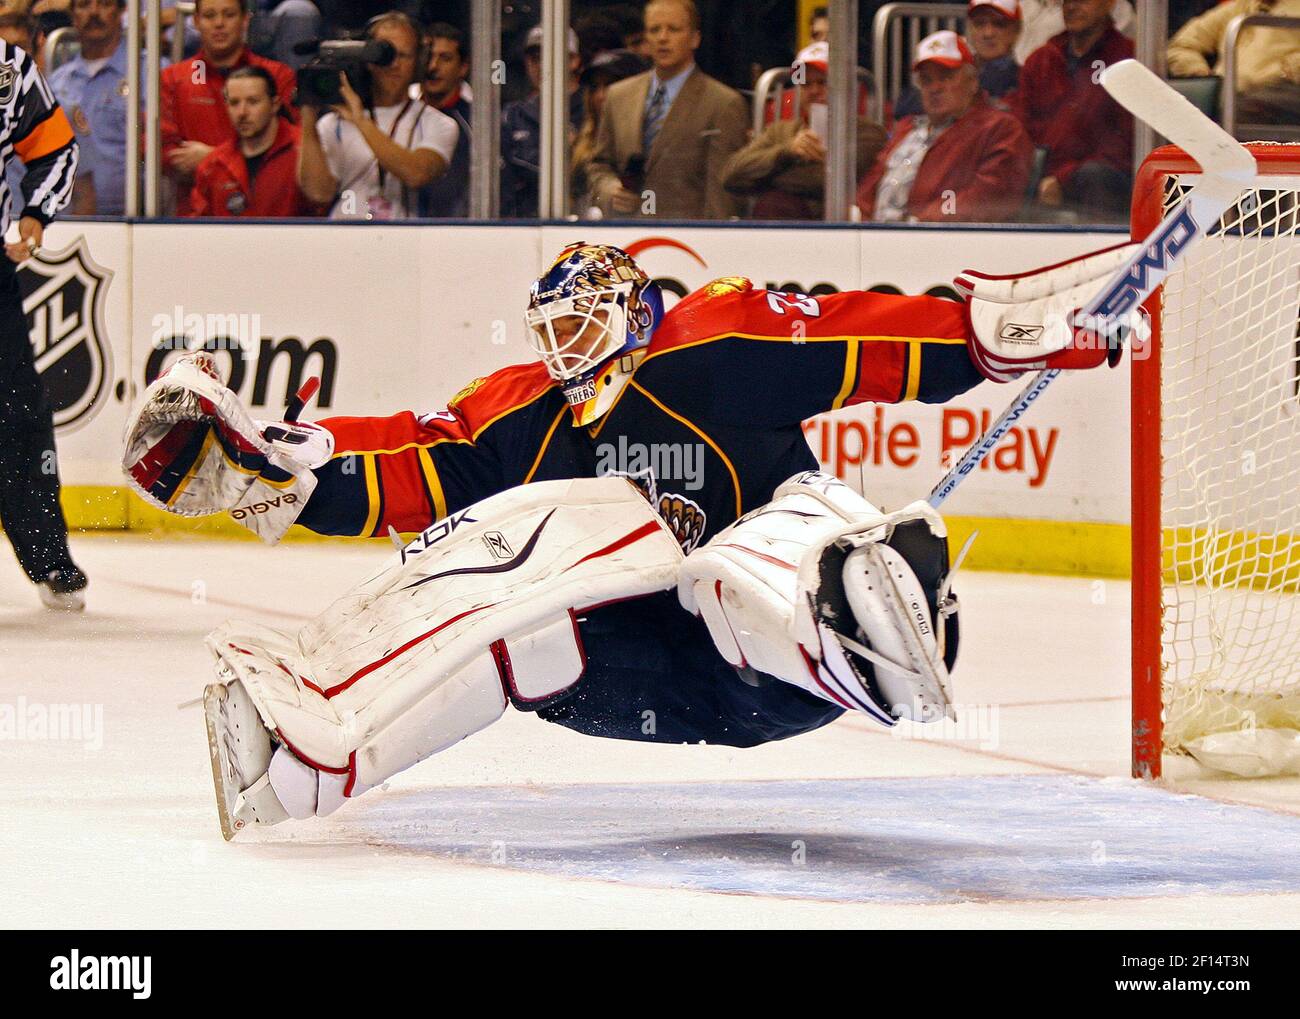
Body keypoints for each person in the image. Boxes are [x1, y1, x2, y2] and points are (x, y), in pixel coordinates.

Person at [125, 236, 1127, 835]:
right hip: (639, 676)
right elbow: (410, 467)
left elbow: (864, 340)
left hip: (772, 646)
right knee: (500, 568)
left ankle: (869, 607)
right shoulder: (522, 416)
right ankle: (305, 755)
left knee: (769, 536)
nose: (566, 354)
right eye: (550, 334)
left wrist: (989, 333)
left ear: (633, 312)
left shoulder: (716, 344)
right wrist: (278, 470)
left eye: (582, 327)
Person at [0, 37, 83, 609]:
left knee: (18, 411)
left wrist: (35, 214)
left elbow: (55, 148)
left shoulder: (7, 67)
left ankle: (49, 558)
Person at [585, 0, 747, 220]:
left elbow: (722, 194)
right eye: (654, 30)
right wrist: (610, 189)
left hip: (688, 240)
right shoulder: (618, 96)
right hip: (625, 237)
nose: (662, 38)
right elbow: (599, 165)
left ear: (694, 38)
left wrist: (713, 245)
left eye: (673, 29)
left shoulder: (723, 103)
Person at [857, 31, 1032, 223]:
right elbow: (871, 185)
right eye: (926, 80)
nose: (935, 87)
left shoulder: (999, 128)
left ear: (972, 82)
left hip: (939, 241)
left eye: (946, 77)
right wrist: (857, 215)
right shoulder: (907, 127)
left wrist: (922, 223)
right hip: (876, 236)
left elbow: (990, 196)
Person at [297, 10, 457, 220]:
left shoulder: (439, 124)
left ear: (420, 61)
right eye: (383, 54)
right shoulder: (334, 123)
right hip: (343, 237)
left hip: (407, 241)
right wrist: (308, 118)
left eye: (403, 55)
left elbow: (416, 173)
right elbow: (318, 193)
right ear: (368, 59)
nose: (394, 64)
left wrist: (361, 121)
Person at [161, 0, 298, 216]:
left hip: (272, 215)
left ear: (245, 20)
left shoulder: (278, 76)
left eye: (229, 14)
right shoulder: (173, 79)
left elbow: (293, 152)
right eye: (209, 16)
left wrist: (212, 158)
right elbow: (162, 152)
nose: (219, 24)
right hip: (196, 220)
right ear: (196, 21)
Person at [722, 41, 885, 220]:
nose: (814, 90)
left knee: (776, 202)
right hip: (779, 233)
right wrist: (787, 151)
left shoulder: (867, 134)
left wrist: (764, 179)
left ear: (844, 87)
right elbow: (732, 174)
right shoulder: (781, 131)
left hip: (836, 234)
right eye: (806, 84)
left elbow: (832, 181)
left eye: (823, 83)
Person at [1015, 0, 1134, 222]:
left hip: (1098, 181)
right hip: (1040, 176)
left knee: (1095, 176)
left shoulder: (1128, 59)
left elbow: (1124, 145)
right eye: (1066, 0)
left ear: (1109, 4)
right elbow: (1021, 130)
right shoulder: (1039, 60)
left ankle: (1106, 254)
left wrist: (1063, 178)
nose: (1071, 6)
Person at [48, 0, 151, 214]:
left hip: (136, 218)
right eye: (84, 5)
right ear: (73, 15)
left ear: (122, 11)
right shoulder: (56, 84)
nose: (94, 12)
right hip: (68, 219)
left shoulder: (150, 72)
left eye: (104, 4)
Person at [189, 64, 314, 216]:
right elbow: (197, 230)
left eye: (253, 102)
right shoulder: (213, 166)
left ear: (274, 105)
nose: (242, 112)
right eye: (234, 103)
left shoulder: (306, 150)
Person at [1167, 0, 1300, 130]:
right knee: (1172, 108)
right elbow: (1181, 45)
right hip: (1228, 92)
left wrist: (1289, 70)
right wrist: (1200, 72)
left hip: (1285, 89)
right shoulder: (1238, 7)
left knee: (1241, 110)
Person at [499, 25, 584, 219]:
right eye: (534, 59)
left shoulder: (593, 110)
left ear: (574, 60)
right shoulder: (512, 116)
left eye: (550, 56)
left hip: (584, 222)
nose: (541, 65)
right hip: (523, 223)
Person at [894, 0, 1023, 118]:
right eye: (979, 24)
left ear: (1016, 30)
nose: (988, 33)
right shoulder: (955, 59)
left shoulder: (1024, 78)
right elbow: (903, 106)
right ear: (969, 28)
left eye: (999, 24)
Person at [570, 48, 648, 217]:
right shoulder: (577, 143)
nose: (600, 96)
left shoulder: (649, 138)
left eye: (612, 85)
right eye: (595, 87)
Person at [416, 22, 470, 218]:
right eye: (428, 57)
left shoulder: (476, 123)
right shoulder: (399, 113)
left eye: (445, 58)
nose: (433, 67)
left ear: (463, 67)